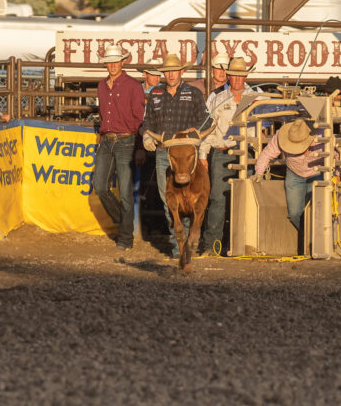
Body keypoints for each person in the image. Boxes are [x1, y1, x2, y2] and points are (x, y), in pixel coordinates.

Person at [141, 53, 210, 256]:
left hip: (188, 155)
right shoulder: (155, 94)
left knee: (192, 197)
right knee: (169, 200)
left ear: (182, 72)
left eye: (174, 71)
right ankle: (180, 245)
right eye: (167, 71)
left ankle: (185, 246)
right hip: (166, 153)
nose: (171, 75)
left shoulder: (193, 93)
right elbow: (148, 122)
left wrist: (195, 131)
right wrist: (147, 136)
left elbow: (206, 120)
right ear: (163, 74)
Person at [199, 56, 260, 254]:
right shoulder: (217, 98)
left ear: (245, 76)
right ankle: (212, 245)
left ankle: (244, 243)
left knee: (246, 200)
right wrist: (202, 154)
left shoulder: (257, 97)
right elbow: (209, 128)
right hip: (222, 152)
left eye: (241, 75)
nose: (238, 79)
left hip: (247, 153)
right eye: (234, 75)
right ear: (229, 76)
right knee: (217, 198)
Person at [90, 45, 145, 251]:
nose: (112, 65)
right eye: (109, 61)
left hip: (127, 140)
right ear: (105, 63)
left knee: (124, 191)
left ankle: (125, 237)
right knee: (100, 187)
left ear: (123, 62)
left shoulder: (133, 86)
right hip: (107, 140)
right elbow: (104, 115)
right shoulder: (102, 86)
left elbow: (139, 118)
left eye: (116, 61)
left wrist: (139, 146)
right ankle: (125, 223)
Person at [253, 118, 327, 233]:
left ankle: (312, 240)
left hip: (317, 173)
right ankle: (306, 237)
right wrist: (259, 173)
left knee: (317, 211)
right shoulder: (281, 136)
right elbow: (266, 154)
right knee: (294, 214)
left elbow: (335, 155)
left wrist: (336, 174)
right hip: (295, 173)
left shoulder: (322, 134)